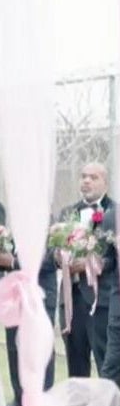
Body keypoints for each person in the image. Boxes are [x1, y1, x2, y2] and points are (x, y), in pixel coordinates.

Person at [0, 186, 58, 406]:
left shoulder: (49, 227)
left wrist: (10, 262)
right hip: (18, 295)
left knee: (39, 347)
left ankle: (42, 396)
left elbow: (48, 262)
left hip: (40, 294)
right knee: (13, 344)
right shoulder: (16, 229)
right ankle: (19, 395)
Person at [56, 162, 114, 377]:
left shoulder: (115, 212)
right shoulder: (67, 213)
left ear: (105, 182)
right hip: (71, 301)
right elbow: (54, 250)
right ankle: (79, 401)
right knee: (76, 367)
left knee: (106, 365)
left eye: (93, 177)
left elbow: (114, 258)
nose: (86, 181)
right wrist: (61, 258)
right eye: (83, 176)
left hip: (102, 302)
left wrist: (92, 265)